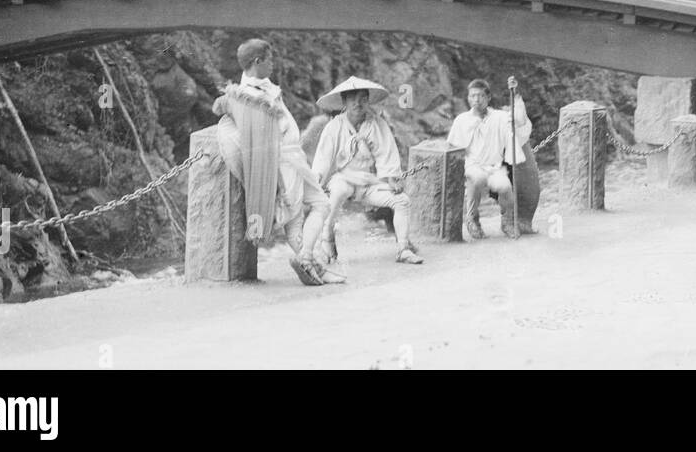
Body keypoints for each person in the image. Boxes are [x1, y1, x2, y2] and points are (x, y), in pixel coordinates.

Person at [212, 39, 341, 286]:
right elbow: (251, 139)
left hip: (293, 158)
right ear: (257, 62)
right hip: (281, 163)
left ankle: (308, 261)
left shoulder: (264, 88)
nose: (273, 64)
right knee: (303, 214)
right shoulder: (246, 96)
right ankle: (307, 260)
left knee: (311, 209)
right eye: (269, 60)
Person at [311, 77, 423, 266]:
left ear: (368, 101)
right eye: (352, 99)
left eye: (363, 98)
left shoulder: (377, 124)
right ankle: (326, 238)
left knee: (402, 201)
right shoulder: (334, 127)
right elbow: (323, 159)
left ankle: (403, 248)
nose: (358, 103)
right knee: (334, 195)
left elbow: (387, 154)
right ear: (344, 102)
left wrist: (392, 178)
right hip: (343, 178)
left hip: (370, 181)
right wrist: (317, 182)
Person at [446, 77, 531, 239]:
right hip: (472, 165)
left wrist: (515, 92)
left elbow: (519, 120)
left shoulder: (500, 117)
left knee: (505, 187)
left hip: (494, 166)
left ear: (488, 97)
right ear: (468, 97)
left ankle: (507, 221)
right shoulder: (462, 120)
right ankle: (472, 219)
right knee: (476, 179)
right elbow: (453, 147)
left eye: (480, 96)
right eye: (472, 96)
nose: (476, 100)